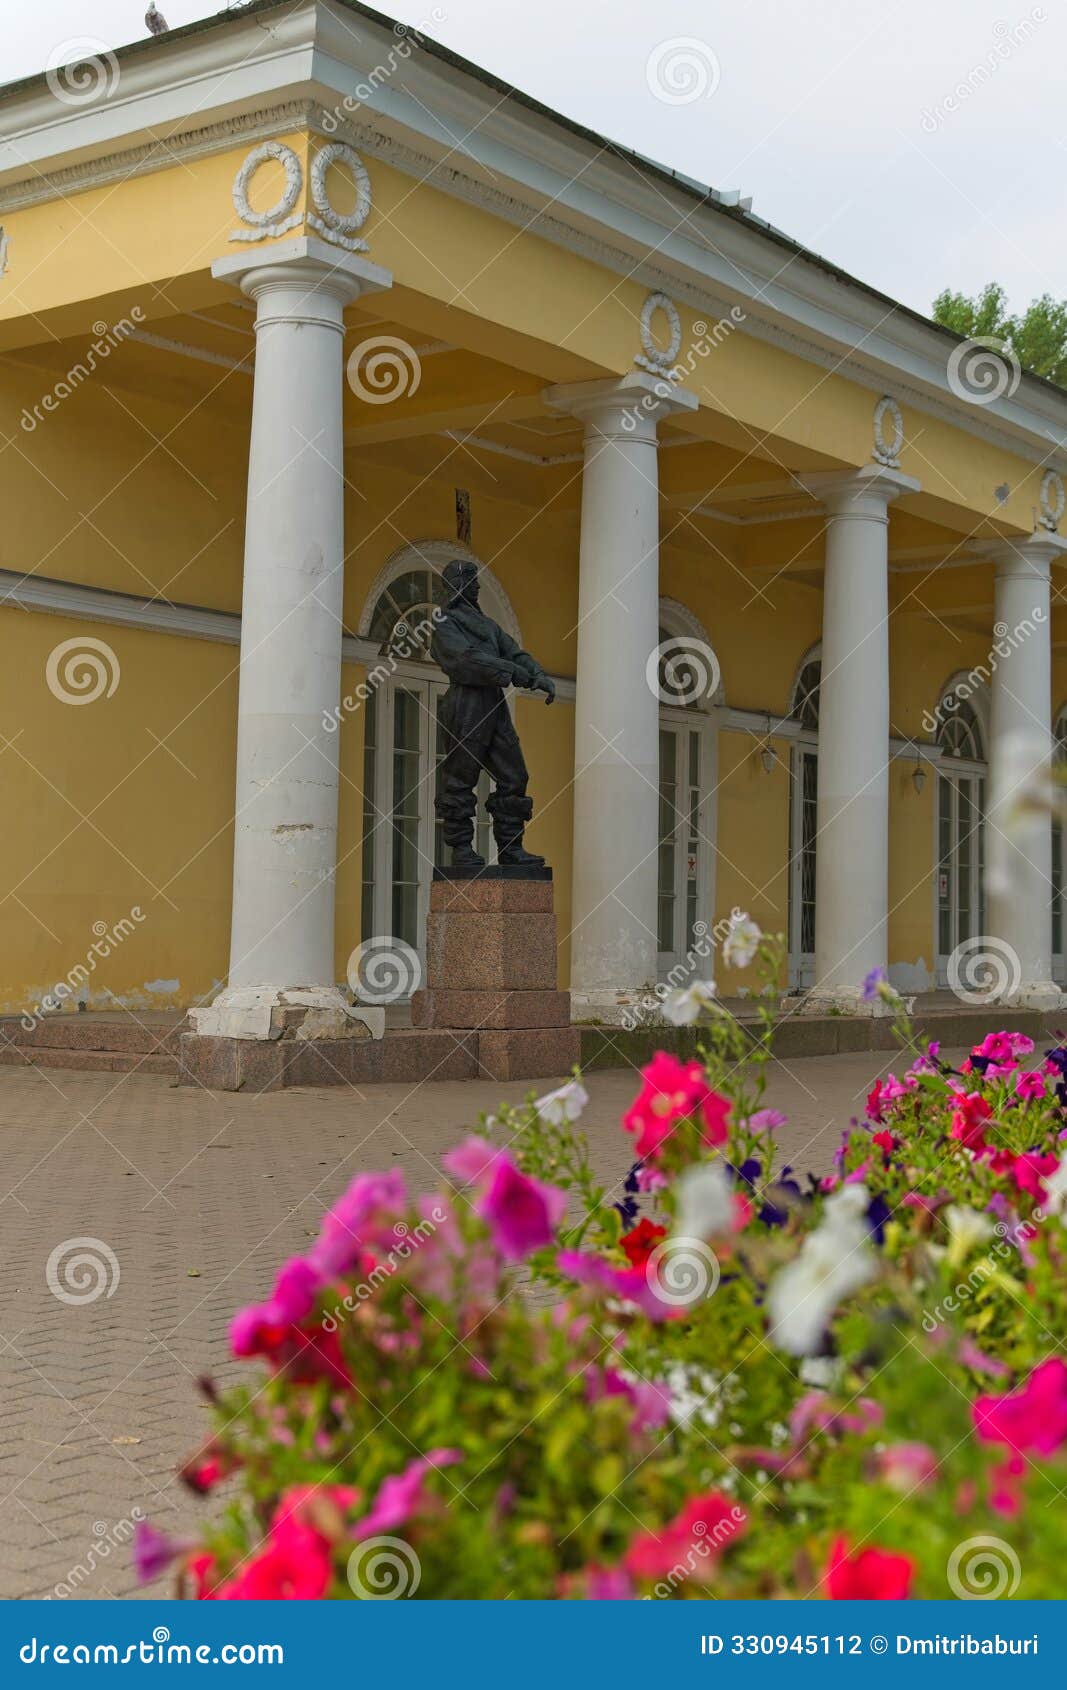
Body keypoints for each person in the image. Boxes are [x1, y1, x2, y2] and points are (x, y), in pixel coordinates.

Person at [432, 559, 555, 870]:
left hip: (493, 705)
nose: (477, 586)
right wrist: (515, 673)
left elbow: (513, 651)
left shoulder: (487, 625)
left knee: (515, 775)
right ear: (459, 585)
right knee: (461, 778)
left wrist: (537, 672)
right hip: (466, 703)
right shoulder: (444, 621)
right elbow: (465, 660)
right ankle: (461, 848)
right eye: (472, 581)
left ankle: (512, 848)